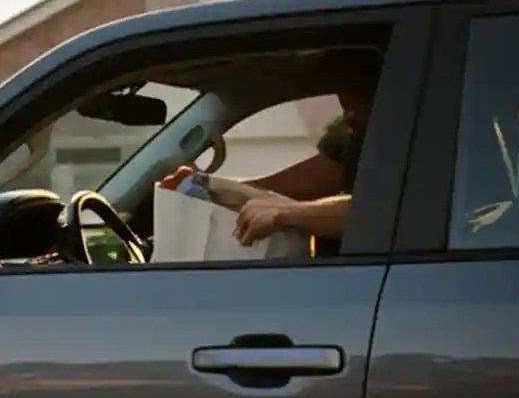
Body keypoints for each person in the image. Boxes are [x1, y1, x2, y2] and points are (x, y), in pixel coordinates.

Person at [158, 50, 382, 250]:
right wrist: (211, 188)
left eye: (355, 98)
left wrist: (284, 215)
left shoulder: (410, 153)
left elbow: (384, 212)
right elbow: (311, 183)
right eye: (343, 102)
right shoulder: (362, 141)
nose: (347, 117)